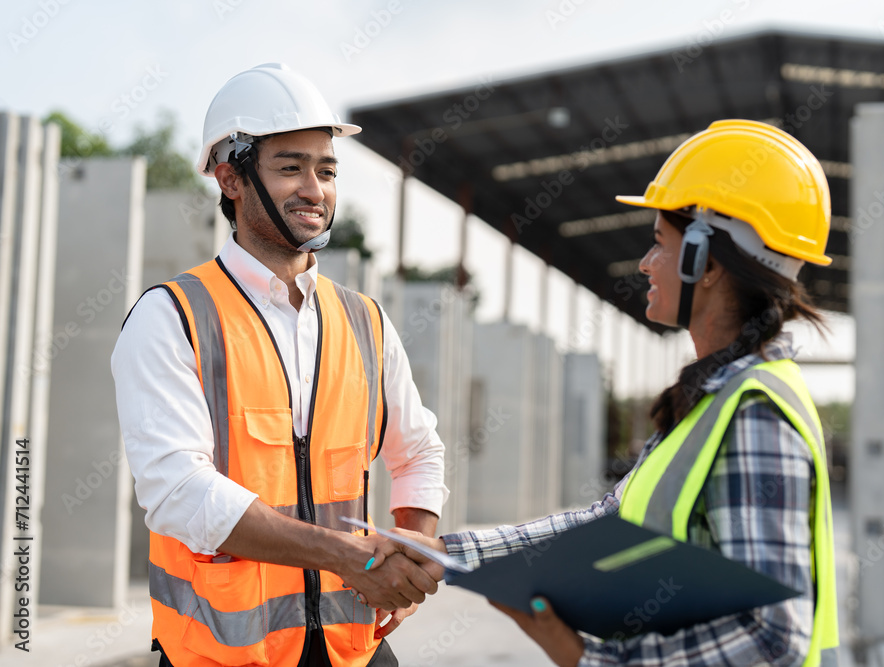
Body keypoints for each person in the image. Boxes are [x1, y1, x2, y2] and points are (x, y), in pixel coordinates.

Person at [372, 119, 839, 666]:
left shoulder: (754, 413)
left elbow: (772, 636)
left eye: (659, 244)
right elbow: (608, 520)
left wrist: (591, 662)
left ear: (705, 262)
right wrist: (450, 554)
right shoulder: (711, 402)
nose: (644, 263)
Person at [111, 63, 449, 667]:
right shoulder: (172, 317)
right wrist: (345, 556)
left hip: (355, 650)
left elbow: (418, 449)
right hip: (220, 656)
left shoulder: (365, 320)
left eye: (326, 169)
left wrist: (413, 551)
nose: (315, 189)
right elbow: (179, 493)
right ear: (230, 177)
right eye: (290, 167)